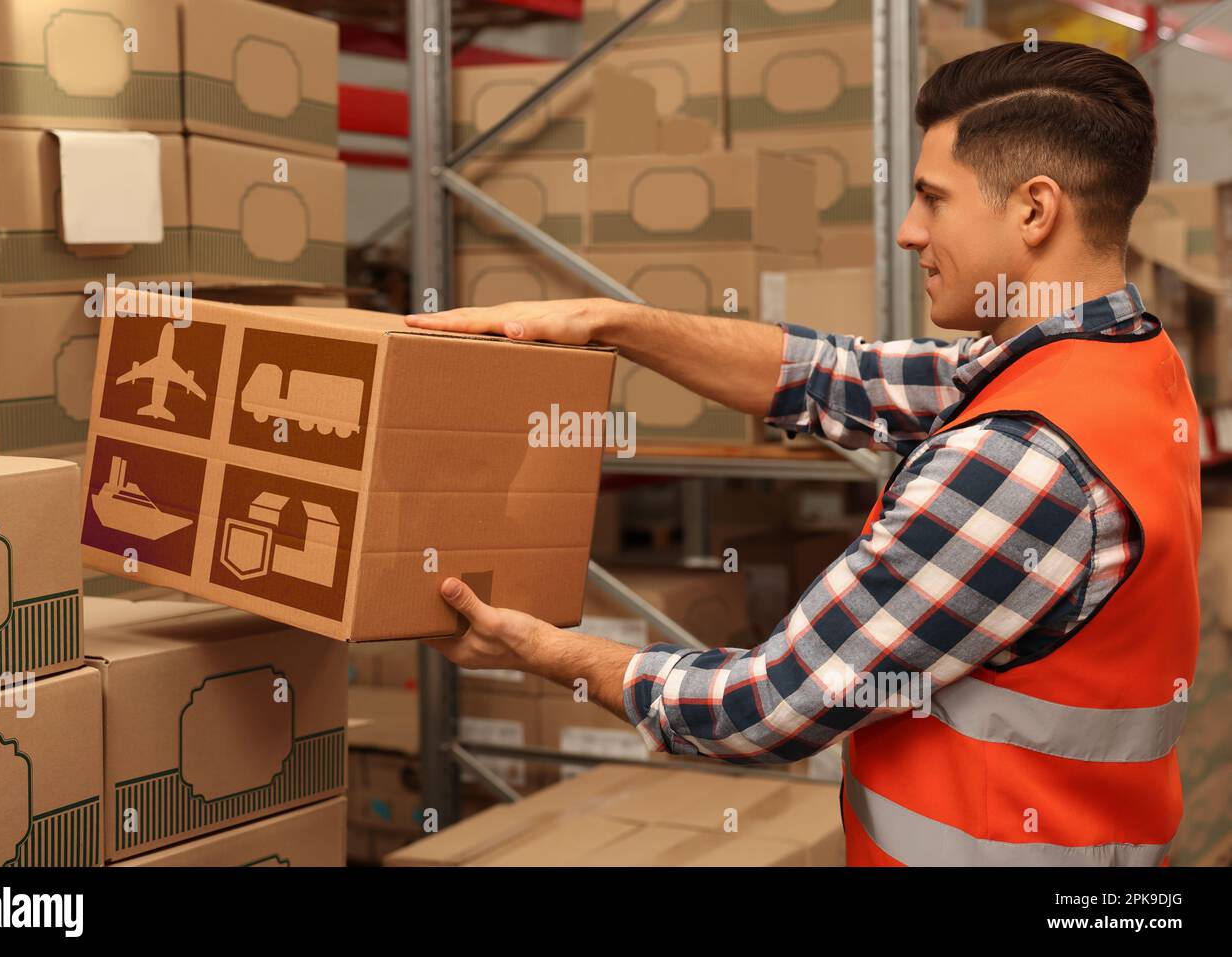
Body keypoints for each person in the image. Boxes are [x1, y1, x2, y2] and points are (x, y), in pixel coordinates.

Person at [405, 41, 1199, 866]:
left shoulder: (1018, 461)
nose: (908, 230)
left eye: (933, 198)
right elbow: (833, 376)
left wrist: (542, 650)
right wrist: (614, 324)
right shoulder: (1122, 361)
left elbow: (762, 708)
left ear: (1035, 210)